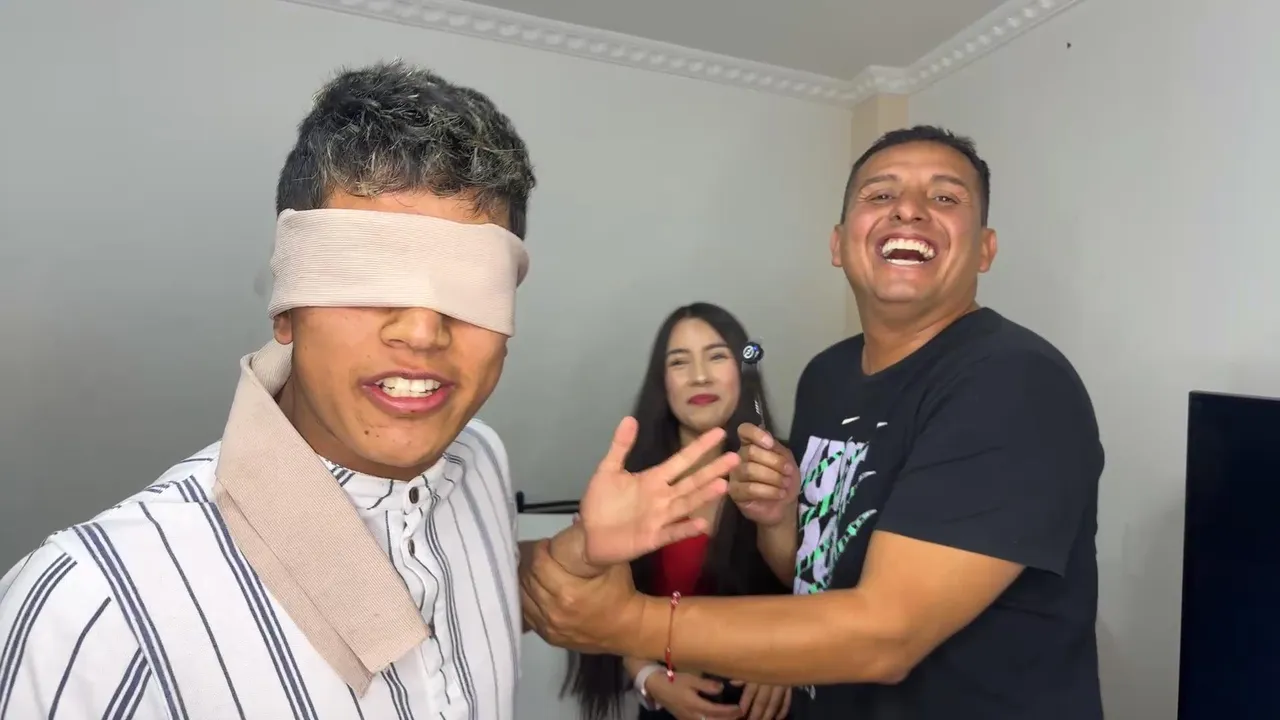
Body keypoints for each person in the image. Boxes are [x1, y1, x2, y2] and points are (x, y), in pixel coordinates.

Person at [0, 61, 735, 719]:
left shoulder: (479, 460)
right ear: (287, 306)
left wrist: (573, 554)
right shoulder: (91, 610)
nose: (422, 330)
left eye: (470, 287)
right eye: (366, 274)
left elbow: (445, 629)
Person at [522, 125, 1106, 719]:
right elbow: (813, 575)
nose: (908, 209)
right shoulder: (827, 377)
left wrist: (629, 624)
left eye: (944, 197)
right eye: (881, 194)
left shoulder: (1013, 382)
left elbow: (886, 634)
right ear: (838, 243)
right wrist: (778, 518)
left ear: (985, 248)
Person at [562, 302, 793, 720]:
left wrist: (797, 660)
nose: (699, 376)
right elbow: (599, 605)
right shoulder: (630, 483)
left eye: (717, 356)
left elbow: (824, 588)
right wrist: (647, 676)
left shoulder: (785, 468)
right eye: (679, 362)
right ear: (662, 382)